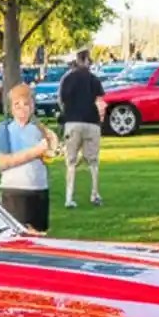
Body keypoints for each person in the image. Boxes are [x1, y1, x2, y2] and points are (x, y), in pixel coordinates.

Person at [0, 83, 58, 233]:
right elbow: (4, 162)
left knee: (39, 235)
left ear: (33, 106)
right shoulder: (4, 129)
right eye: (17, 104)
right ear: (11, 107)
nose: (22, 107)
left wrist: (51, 148)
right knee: (18, 235)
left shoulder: (40, 129)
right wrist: (36, 151)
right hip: (14, 190)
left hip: (39, 188)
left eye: (26, 103)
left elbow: (49, 154)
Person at [57, 49, 106, 207]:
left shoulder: (67, 78)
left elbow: (61, 100)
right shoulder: (94, 79)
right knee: (93, 161)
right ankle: (95, 194)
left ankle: (69, 198)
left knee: (70, 161)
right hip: (91, 122)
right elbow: (100, 101)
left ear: (77, 60)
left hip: (72, 122)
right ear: (88, 61)